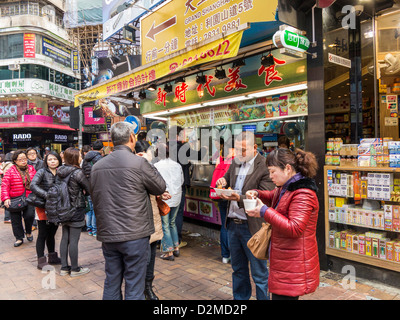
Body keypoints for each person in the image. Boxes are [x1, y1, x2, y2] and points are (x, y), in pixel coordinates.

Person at [90, 121, 167, 300]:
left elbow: (95, 197)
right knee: (134, 285)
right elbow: (160, 187)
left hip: (108, 233)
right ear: (132, 138)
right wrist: (148, 162)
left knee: (112, 280)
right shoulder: (139, 163)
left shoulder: (97, 167)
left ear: (113, 139)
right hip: (135, 234)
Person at [245, 148, 320, 300]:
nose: (271, 176)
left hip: (293, 264)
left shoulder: (303, 193)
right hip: (286, 261)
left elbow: (295, 228)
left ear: (287, 169)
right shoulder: (287, 187)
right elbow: (273, 195)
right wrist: (258, 193)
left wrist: (264, 211)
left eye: (273, 172)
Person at [216, 131, 274, 300]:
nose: (240, 154)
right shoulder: (235, 162)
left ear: (254, 148)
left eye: (243, 150)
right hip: (233, 225)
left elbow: (264, 195)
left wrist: (238, 198)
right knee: (238, 270)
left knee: (259, 274)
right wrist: (222, 182)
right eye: (237, 150)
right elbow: (225, 179)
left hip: (253, 227)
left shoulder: (264, 166)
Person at [168, 125, 208, 247]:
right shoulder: (182, 147)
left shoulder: (164, 147)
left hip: (165, 185)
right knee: (178, 213)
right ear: (177, 135)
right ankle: (177, 241)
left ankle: (165, 241)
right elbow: (199, 155)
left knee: (166, 213)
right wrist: (205, 148)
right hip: (179, 185)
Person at [135, 139, 164, 300]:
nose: (153, 154)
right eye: (151, 151)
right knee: (142, 258)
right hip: (139, 220)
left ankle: (148, 287)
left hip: (152, 216)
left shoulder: (149, 167)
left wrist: (160, 193)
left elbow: (159, 185)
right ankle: (141, 289)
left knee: (151, 255)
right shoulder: (137, 167)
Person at [58, 147, 91, 277]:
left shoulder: (59, 171)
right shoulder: (78, 172)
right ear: (75, 158)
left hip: (62, 208)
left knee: (64, 238)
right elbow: (89, 189)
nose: (81, 158)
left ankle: (64, 268)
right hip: (76, 208)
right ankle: (75, 269)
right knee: (74, 240)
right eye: (79, 156)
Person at [30, 151, 63, 269]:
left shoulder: (61, 171)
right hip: (42, 207)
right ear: (46, 161)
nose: (52, 161)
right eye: (50, 159)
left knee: (52, 233)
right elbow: (33, 185)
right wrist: (46, 195)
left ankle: (52, 257)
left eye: (54, 159)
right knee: (42, 233)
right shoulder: (42, 171)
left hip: (56, 207)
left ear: (59, 159)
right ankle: (41, 260)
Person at [154, 143, 184, 261]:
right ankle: (176, 247)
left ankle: (168, 252)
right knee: (172, 223)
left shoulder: (156, 166)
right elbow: (181, 181)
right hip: (176, 197)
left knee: (165, 225)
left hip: (164, 198)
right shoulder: (177, 165)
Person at [1, 150, 36, 247]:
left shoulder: (31, 168)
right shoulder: (10, 171)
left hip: (29, 197)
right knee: (16, 219)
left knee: (29, 216)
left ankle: (28, 231)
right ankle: (19, 237)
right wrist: (6, 198)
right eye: (20, 159)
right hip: (15, 198)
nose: (23, 161)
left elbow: (36, 182)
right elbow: (5, 185)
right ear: (15, 161)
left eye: (25, 159)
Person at [210, 136, 235, 264]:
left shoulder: (219, 159)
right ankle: (233, 253)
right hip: (231, 195)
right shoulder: (235, 160)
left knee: (224, 225)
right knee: (232, 225)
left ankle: (225, 255)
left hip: (219, 194)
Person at [82, 140, 104, 237]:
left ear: (92, 148)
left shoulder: (85, 159)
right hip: (97, 186)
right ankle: (95, 230)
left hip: (88, 186)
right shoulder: (100, 159)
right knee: (95, 209)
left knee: (90, 209)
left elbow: (83, 173)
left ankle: (89, 228)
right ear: (102, 149)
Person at [1, 153, 14, 223]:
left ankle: (7, 217)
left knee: (6, 200)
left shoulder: (4, 164)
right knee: (10, 201)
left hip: (5, 184)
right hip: (10, 184)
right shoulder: (11, 165)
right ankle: (8, 217)